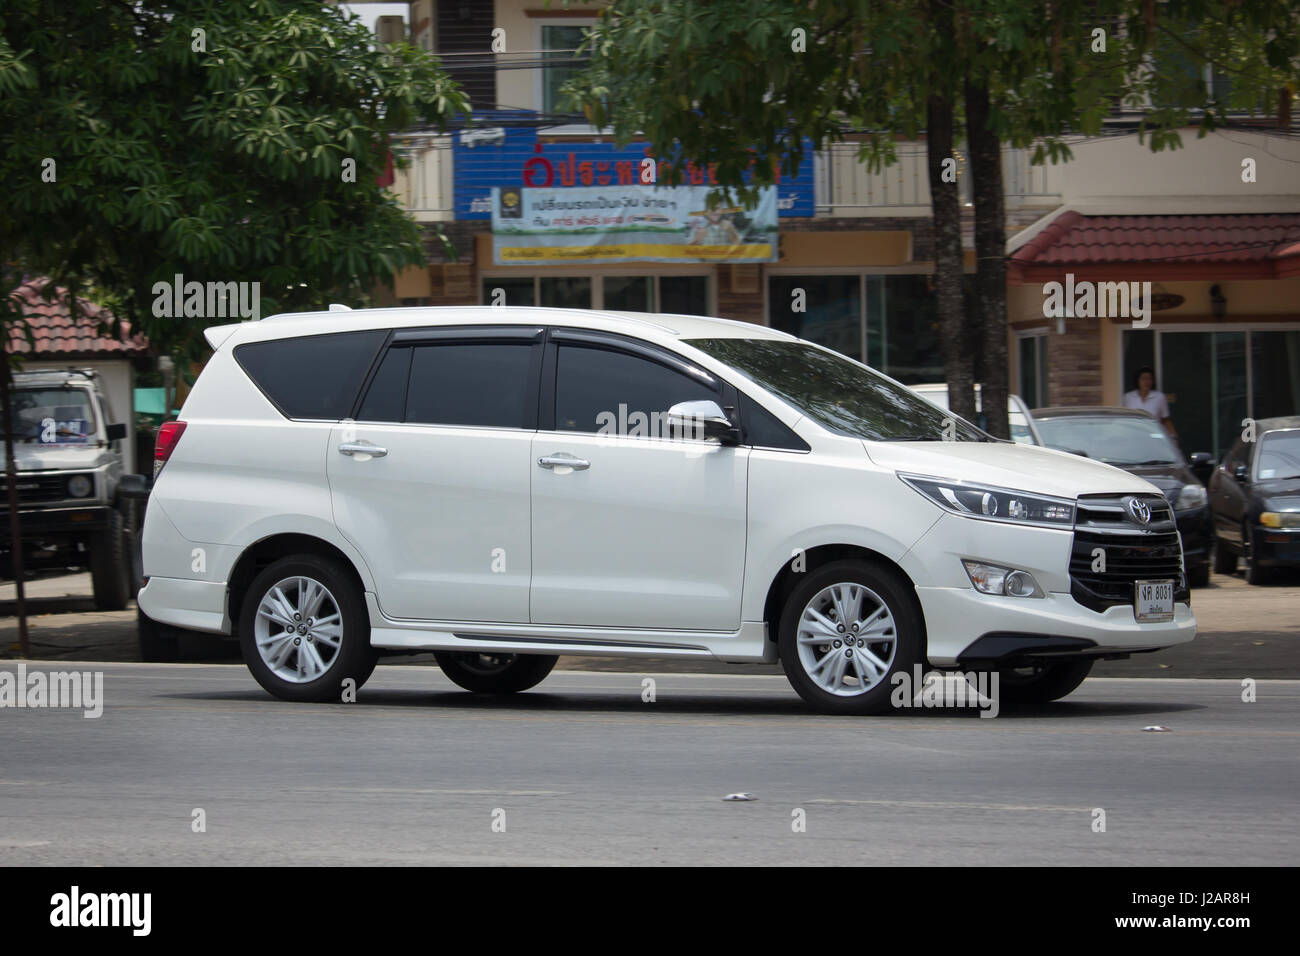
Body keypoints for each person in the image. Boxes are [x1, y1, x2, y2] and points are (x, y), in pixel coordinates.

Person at [1123, 365, 1177, 439]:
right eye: (1144, 378)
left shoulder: (1159, 397)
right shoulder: (1129, 397)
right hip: (1134, 437)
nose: (1147, 382)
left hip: (1153, 437)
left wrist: (1174, 436)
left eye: (1149, 379)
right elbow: (1125, 419)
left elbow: (1165, 420)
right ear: (1138, 380)